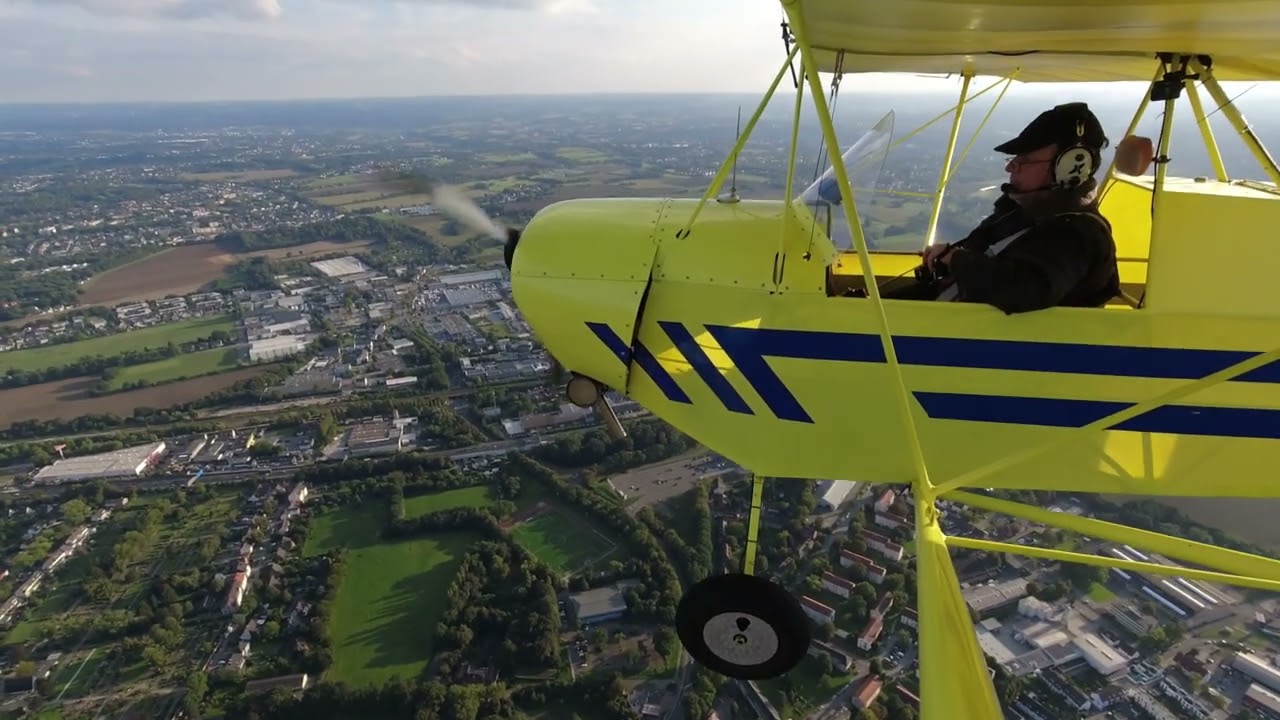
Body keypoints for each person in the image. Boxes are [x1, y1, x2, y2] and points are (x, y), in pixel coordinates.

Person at [889, 102, 1121, 314]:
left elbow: (1021, 291)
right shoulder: (1020, 212)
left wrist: (956, 260)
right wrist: (949, 260)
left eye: (1023, 161)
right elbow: (981, 257)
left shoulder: (1079, 235)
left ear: (1070, 167)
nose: (1010, 168)